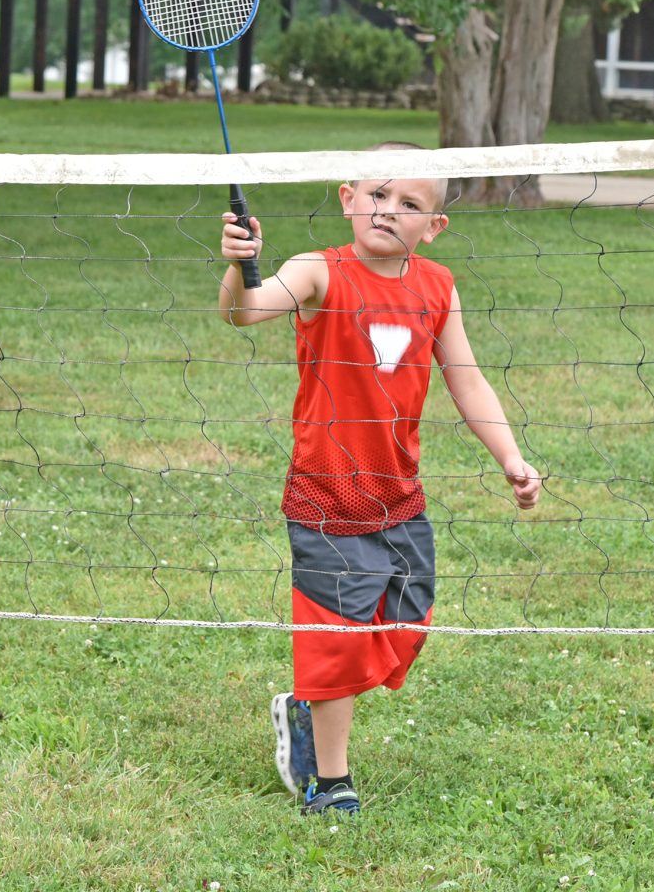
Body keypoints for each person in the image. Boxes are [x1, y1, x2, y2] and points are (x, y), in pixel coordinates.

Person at [218, 142, 540, 817]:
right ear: (347, 198)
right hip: (325, 498)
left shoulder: (437, 287)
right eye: (376, 194)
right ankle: (329, 779)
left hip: (399, 500)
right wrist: (238, 266)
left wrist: (510, 457)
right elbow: (245, 311)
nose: (387, 211)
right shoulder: (317, 272)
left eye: (409, 204)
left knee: (403, 629)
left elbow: (466, 378)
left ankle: (309, 705)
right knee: (336, 642)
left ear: (434, 226)